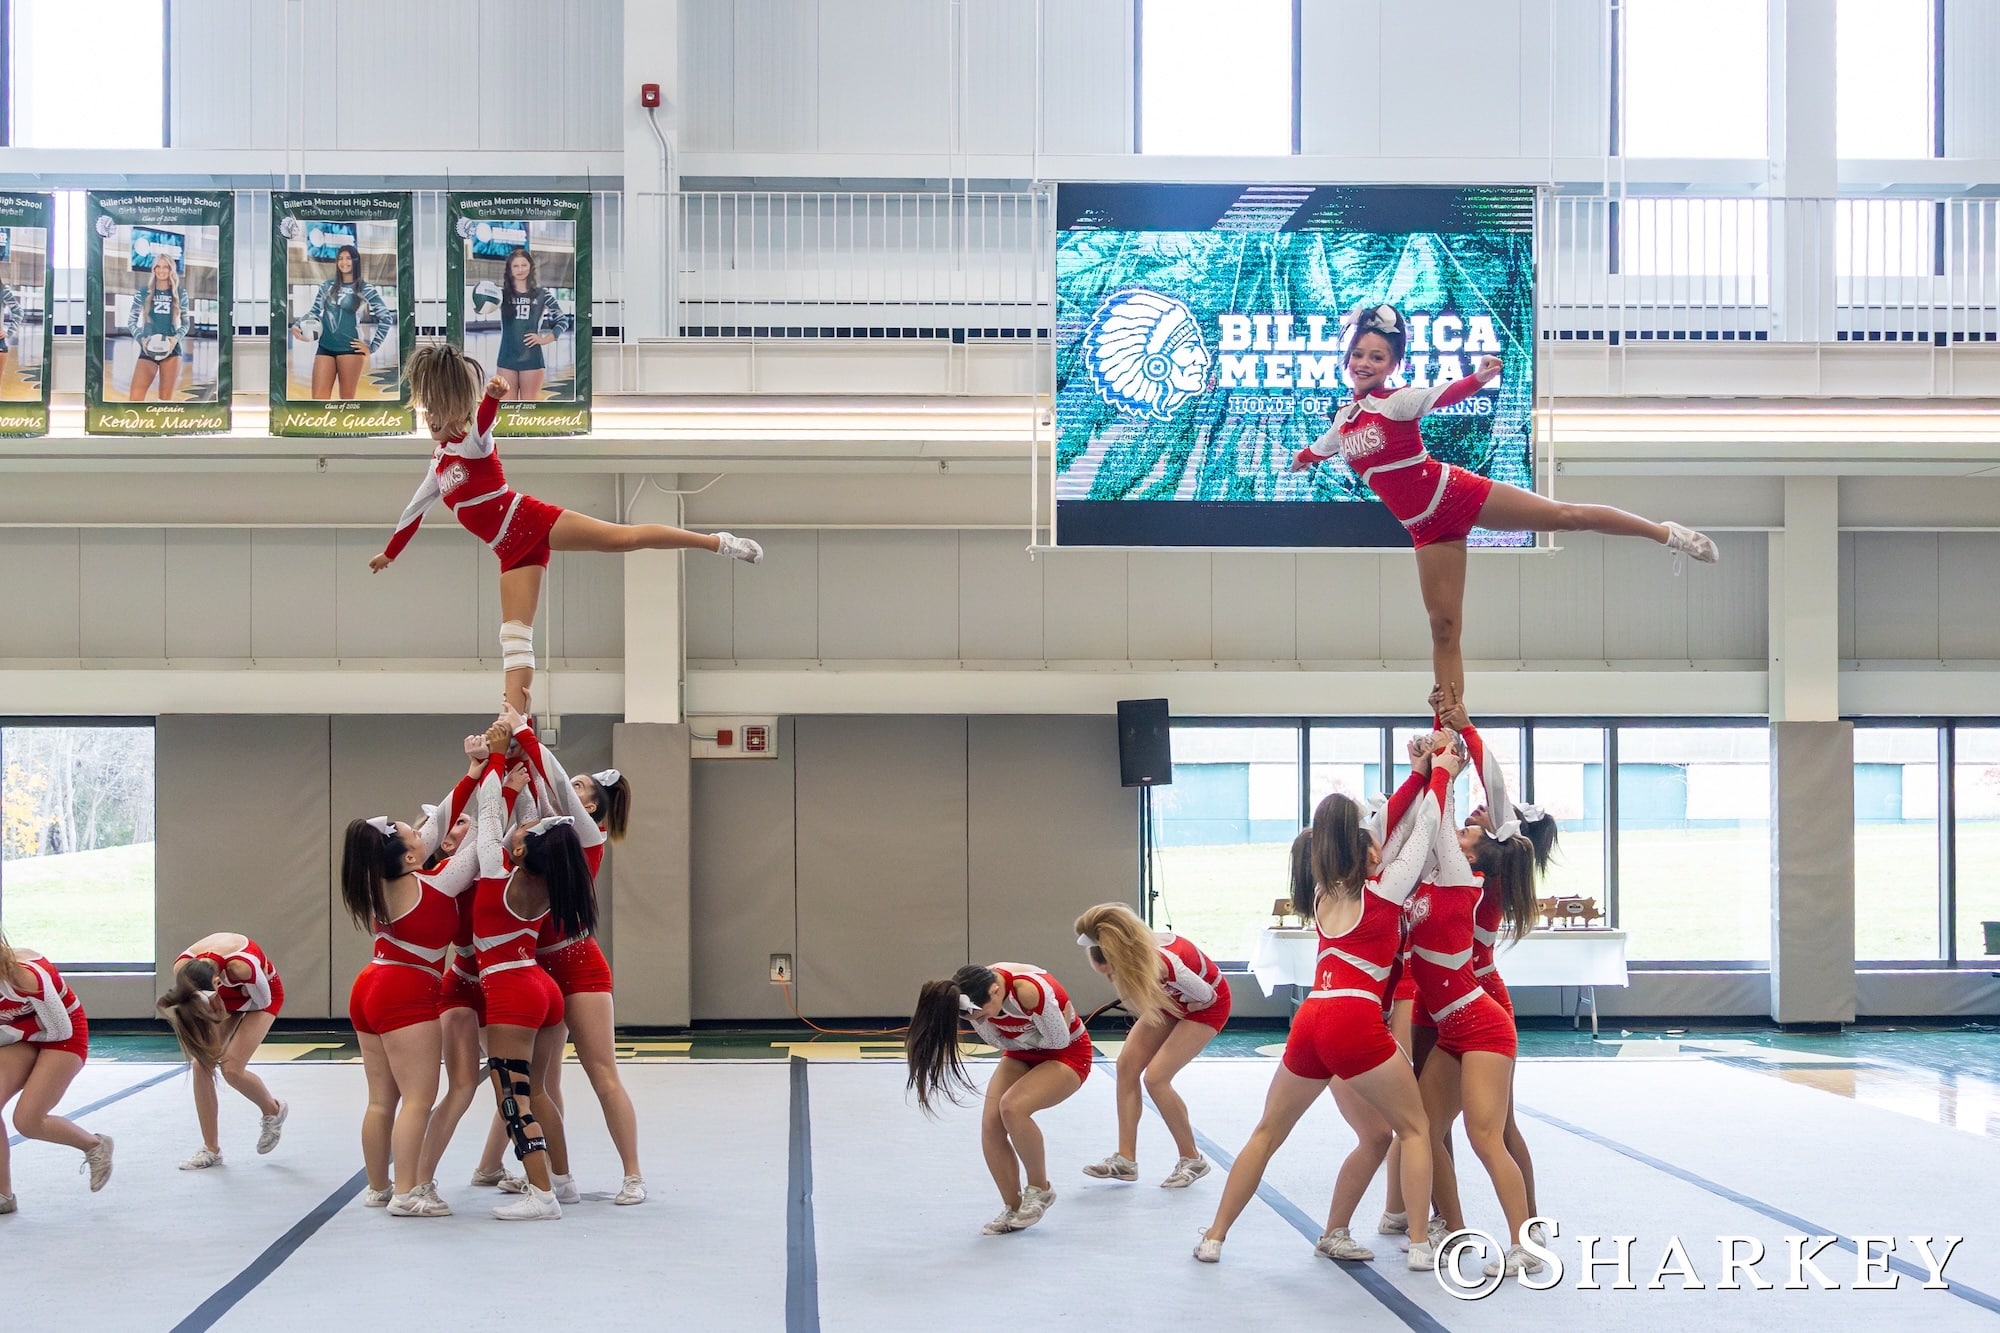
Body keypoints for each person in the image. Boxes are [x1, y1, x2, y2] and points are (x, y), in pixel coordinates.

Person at [1291, 302, 1719, 703]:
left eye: (1378, 357)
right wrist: (1304, 458)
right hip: (1425, 528)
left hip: (1454, 494)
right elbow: (1324, 446)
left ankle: (1666, 533)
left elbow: (1441, 395)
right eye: (1359, 355)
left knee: (1564, 516)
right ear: (1347, 359)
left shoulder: (1398, 402)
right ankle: (1450, 732)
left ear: (1392, 365)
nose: (1365, 364)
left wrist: (1477, 379)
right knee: (1444, 628)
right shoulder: (1343, 421)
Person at [371, 342, 764, 716]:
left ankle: (718, 542)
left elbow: (486, 420)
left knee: (622, 539)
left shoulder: (471, 441)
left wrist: (492, 396)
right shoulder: (438, 465)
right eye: (427, 415)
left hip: (528, 520)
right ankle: (514, 721)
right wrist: (390, 553)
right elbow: (413, 512)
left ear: (453, 410)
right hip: (509, 551)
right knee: (513, 636)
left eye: (435, 414)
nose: (429, 422)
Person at [1195, 738, 1458, 1268]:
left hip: (1311, 1017)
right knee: (1414, 1129)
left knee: (1269, 1132)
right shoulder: (1383, 892)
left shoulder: (1322, 891)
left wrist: (1417, 771)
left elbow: (1391, 828)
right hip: (1353, 1019)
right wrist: (1442, 776)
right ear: (1364, 843)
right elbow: (1423, 829)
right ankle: (1419, 1246)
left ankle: (1215, 1236)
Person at [476, 743, 645, 1205]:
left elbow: (550, 783)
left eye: (579, 787)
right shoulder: (548, 838)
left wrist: (526, 734)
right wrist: (511, 758)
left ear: (589, 807)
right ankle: (547, 1170)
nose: (569, 789)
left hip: (579, 966)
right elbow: (536, 798)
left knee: (601, 1072)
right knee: (538, 1081)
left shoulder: (585, 841)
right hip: (538, 971)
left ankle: (632, 1175)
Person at [1403, 724, 1543, 1279]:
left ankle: (1525, 1241)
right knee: (1425, 1127)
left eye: (1469, 834)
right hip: (1456, 1021)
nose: (1463, 831)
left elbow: (1438, 822)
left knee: (1488, 1136)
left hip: (1481, 1020)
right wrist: (1428, 764)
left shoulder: (1467, 879)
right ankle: (1456, 1230)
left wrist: (1452, 744)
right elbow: (1426, 828)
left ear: (1476, 858)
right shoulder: (1450, 873)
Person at [339, 740, 485, 1216]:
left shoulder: (377, 882)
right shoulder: (437, 883)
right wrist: (498, 781)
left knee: (382, 1099)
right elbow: (483, 846)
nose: (425, 831)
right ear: (407, 856)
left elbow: (440, 818)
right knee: (420, 1097)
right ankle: (407, 1193)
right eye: (413, 832)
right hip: (405, 990)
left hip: (370, 986)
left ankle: (379, 1187)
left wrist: (473, 771)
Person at [469, 715, 598, 1221]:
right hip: (543, 988)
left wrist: (494, 760)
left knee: (514, 1097)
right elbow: (523, 825)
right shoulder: (554, 879)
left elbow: (487, 820)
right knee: (540, 1090)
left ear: (519, 851)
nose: (519, 824)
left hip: (512, 989)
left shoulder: (499, 870)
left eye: (521, 831)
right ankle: (563, 1181)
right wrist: (519, 769)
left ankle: (542, 1194)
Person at [905, 962, 1093, 1235]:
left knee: (1012, 1108)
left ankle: (1040, 1189)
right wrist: (1026, 1037)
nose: (978, 1020)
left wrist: (1018, 1038)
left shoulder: (1029, 992)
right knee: (991, 1125)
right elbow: (999, 1043)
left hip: (1069, 1054)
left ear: (996, 992)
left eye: (980, 1013)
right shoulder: (973, 994)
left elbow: (1058, 1042)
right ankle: (1013, 1207)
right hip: (1021, 1055)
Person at [1072, 902, 1226, 1189]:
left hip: (1204, 1006)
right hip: (1172, 1002)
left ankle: (1192, 1158)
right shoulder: (1137, 953)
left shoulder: (1166, 963)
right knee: (1126, 1066)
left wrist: (1177, 1007)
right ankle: (1125, 1160)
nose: (1111, 979)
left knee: (1156, 1078)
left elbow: (1206, 996)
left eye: (1111, 973)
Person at [0, 934, 113, 1211]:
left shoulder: (26, 975)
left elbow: (59, 1029)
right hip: (20, 1034)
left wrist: (11, 1033)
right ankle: (3, 1195)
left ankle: (94, 1144)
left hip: (63, 1035)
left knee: (28, 1120)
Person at [158, 933, 288, 1169]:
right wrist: (212, 1008)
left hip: (262, 996)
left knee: (232, 1069)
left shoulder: (242, 967)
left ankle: (272, 1110)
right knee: (201, 1064)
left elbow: (261, 1001)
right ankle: (211, 1149)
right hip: (225, 996)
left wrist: (221, 1011)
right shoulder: (182, 967)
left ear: (217, 980)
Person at [296, 243, 393, 399]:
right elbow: (314, 311)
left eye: (348, 258)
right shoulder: (327, 286)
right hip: (325, 347)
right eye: (340, 258)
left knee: (347, 402)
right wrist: (296, 325)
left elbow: (386, 318)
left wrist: (372, 347)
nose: (344, 262)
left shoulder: (365, 288)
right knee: (318, 400)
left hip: (350, 350)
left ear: (356, 261)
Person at [492, 248, 569, 401]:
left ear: (530, 267)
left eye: (524, 265)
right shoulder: (500, 294)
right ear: (509, 269)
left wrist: (545, 339)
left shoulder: (543, 294)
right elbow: (482, 307)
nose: (520, 269)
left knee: (529, 408)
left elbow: (562, 320)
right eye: (516, 266)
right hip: (506, 358)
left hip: (531, 359)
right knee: (507, 409)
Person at [124, 254, 190, 403]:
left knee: (164, 402)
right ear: (153, 269)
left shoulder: (181, 293)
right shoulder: (143, 293)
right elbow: (131, 322)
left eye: (165, 266)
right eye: (158, 266)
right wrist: (142, 340)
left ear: (171, 269)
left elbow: (186, 324)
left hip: (172, 351)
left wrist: (175, 339)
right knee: (135, 400)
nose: (161, 270)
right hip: (148, 349)